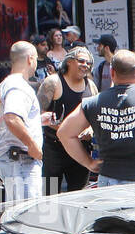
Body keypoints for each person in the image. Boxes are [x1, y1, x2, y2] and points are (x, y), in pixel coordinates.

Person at [58, 49, 135, 185]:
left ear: (112, 72)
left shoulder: (94, 102)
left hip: (108, 178)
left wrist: (89, 163)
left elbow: (64, 133)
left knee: (51, 189)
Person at [37, 46, 97, 194]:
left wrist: (90, 130)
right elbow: (38, 113)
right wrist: (61, 128)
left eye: (88, 63)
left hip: (81, 148)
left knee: (79, 194)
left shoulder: (91, 86)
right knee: (49, 194)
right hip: (54, 147)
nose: (85, 65)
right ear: (69, 62)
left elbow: (97, 116)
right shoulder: (53, 82)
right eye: (81, 61)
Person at [0, 41, 45, 203]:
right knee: (28, 218)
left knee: (18, 217)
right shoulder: (19, 86)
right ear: (30, 59)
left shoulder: (5, 85)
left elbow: (13, 118)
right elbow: (12, 118)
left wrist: (40, 120)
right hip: (21, 159)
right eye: (36, 59)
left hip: (13, 158)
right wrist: (32, 145)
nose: (36, 63)